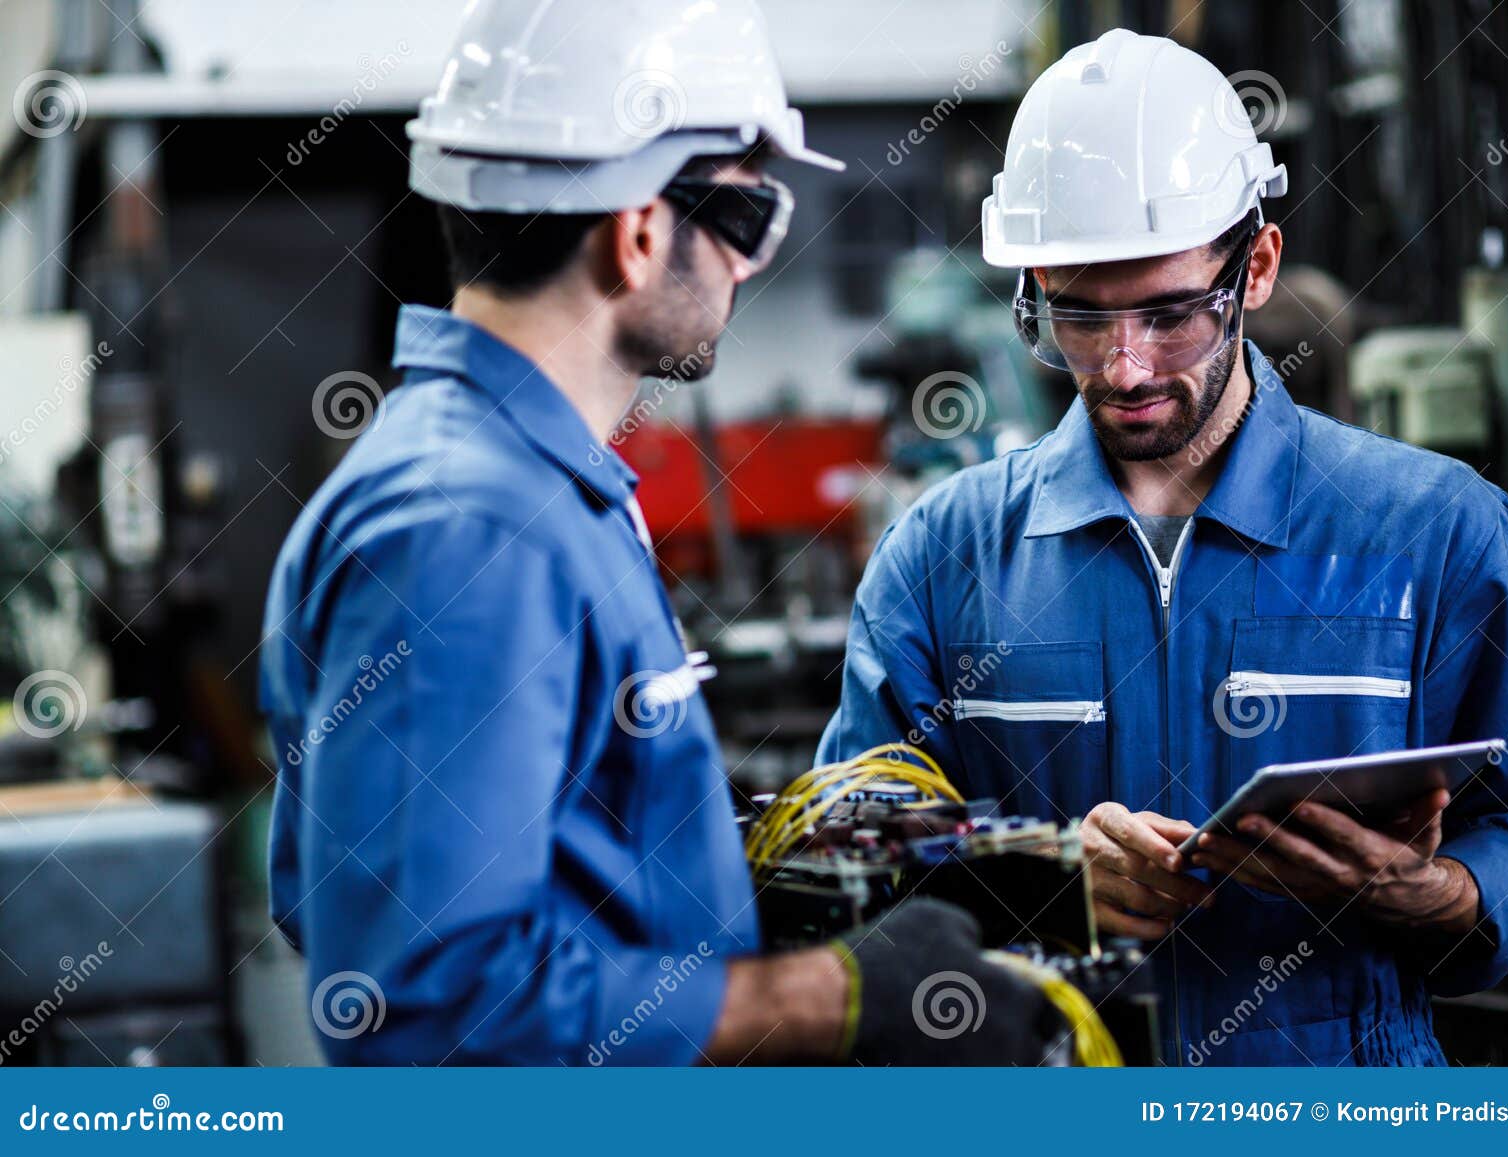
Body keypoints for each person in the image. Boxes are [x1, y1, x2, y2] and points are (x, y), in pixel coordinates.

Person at [260, 0, 1061, 1066]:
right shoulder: (471, 530)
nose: (747, 263)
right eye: (745, 218)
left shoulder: (538, 490)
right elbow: (430, 1007)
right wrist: (836, 994)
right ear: (637, 231)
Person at [820, 27, 1508, 1066]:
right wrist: (1036, 879)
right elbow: (848, 851)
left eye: (1172, 312)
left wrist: (1440, 893)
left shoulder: (1434, 531)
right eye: (1078, 316)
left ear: (1257, 266)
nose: (1125, 366)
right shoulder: (942, 556)